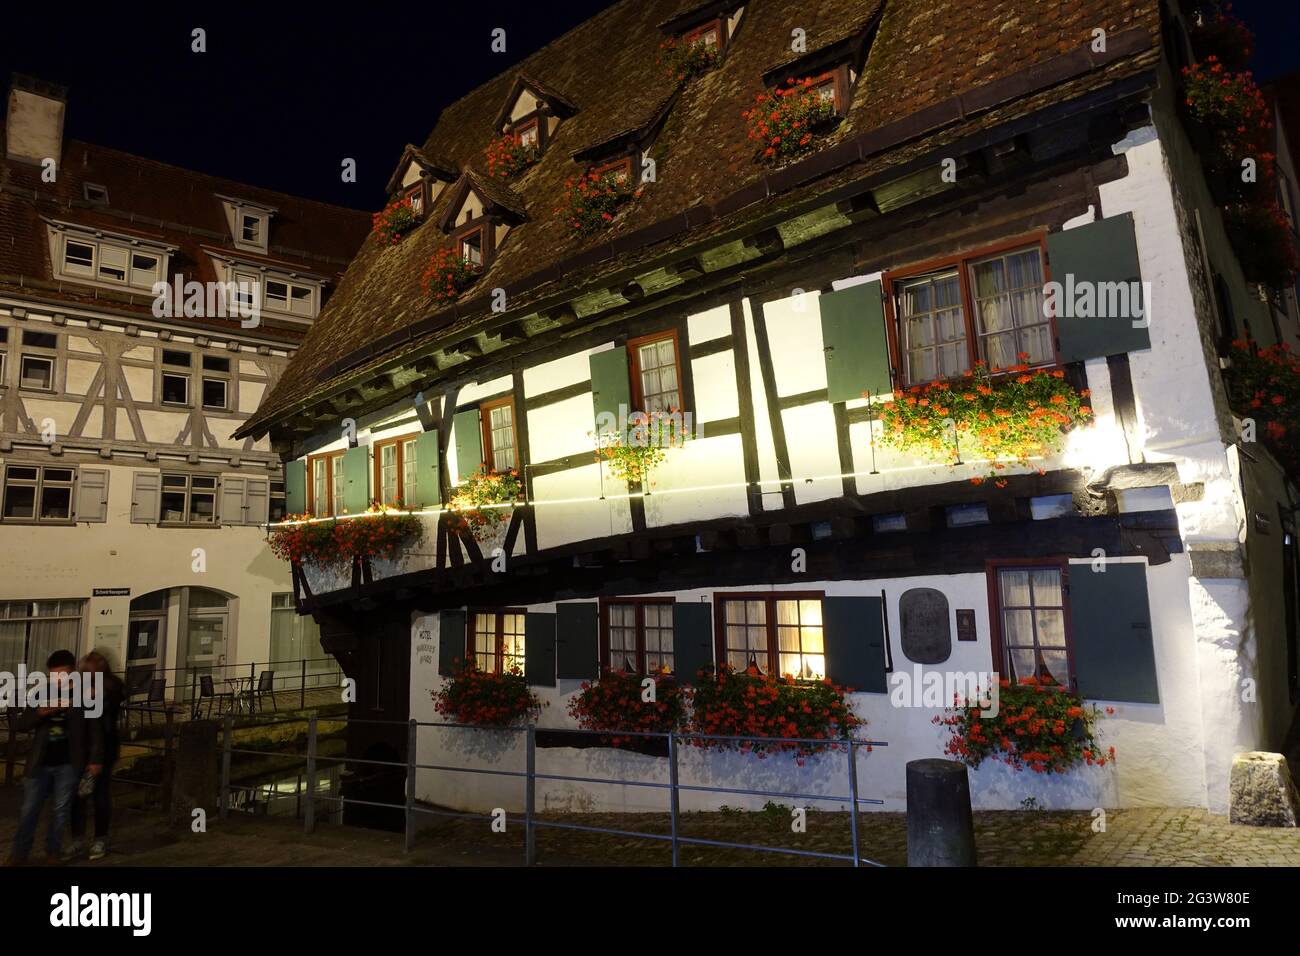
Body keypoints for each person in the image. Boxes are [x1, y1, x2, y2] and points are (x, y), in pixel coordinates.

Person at [6, 649, 103, 866]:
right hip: (40, 761)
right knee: (29, 810)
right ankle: (19, 853)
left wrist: (95, 760)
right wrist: (41, 712)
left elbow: (95, 729)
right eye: (53, 676)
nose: (57, 680)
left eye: (62, 675)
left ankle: (53, 851)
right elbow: (20, 725)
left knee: (60, 811)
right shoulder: (42, 692)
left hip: (69, 762)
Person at [68, 651, 124, 861]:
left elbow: (110, 698)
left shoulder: (110, 686)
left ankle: (100, 838)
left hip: (103, 748)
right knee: (77, 796)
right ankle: (78, 839)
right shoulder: (83, 686)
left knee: (99, 794)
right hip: (80, 747)